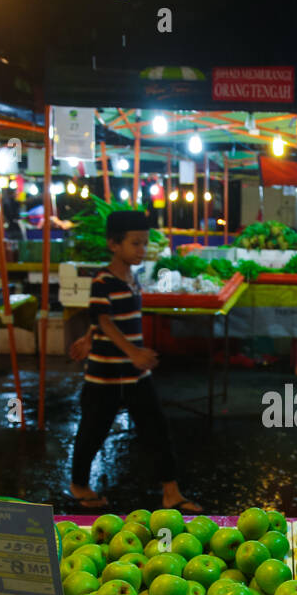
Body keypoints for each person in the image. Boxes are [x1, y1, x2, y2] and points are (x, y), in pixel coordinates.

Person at [67, 210, 200, 513]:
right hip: (105, 376)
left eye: (144, 244)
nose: (142, 250)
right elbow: (103, 318)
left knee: (157, 429)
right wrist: (133, 352)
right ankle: (78, 485)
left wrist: (90, 337)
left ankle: (171, 492)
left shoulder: (132, 277)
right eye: (135, 244)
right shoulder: (103, 279)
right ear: (114, 244)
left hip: (135, 374)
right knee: (93, 431)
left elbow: (101, 321)